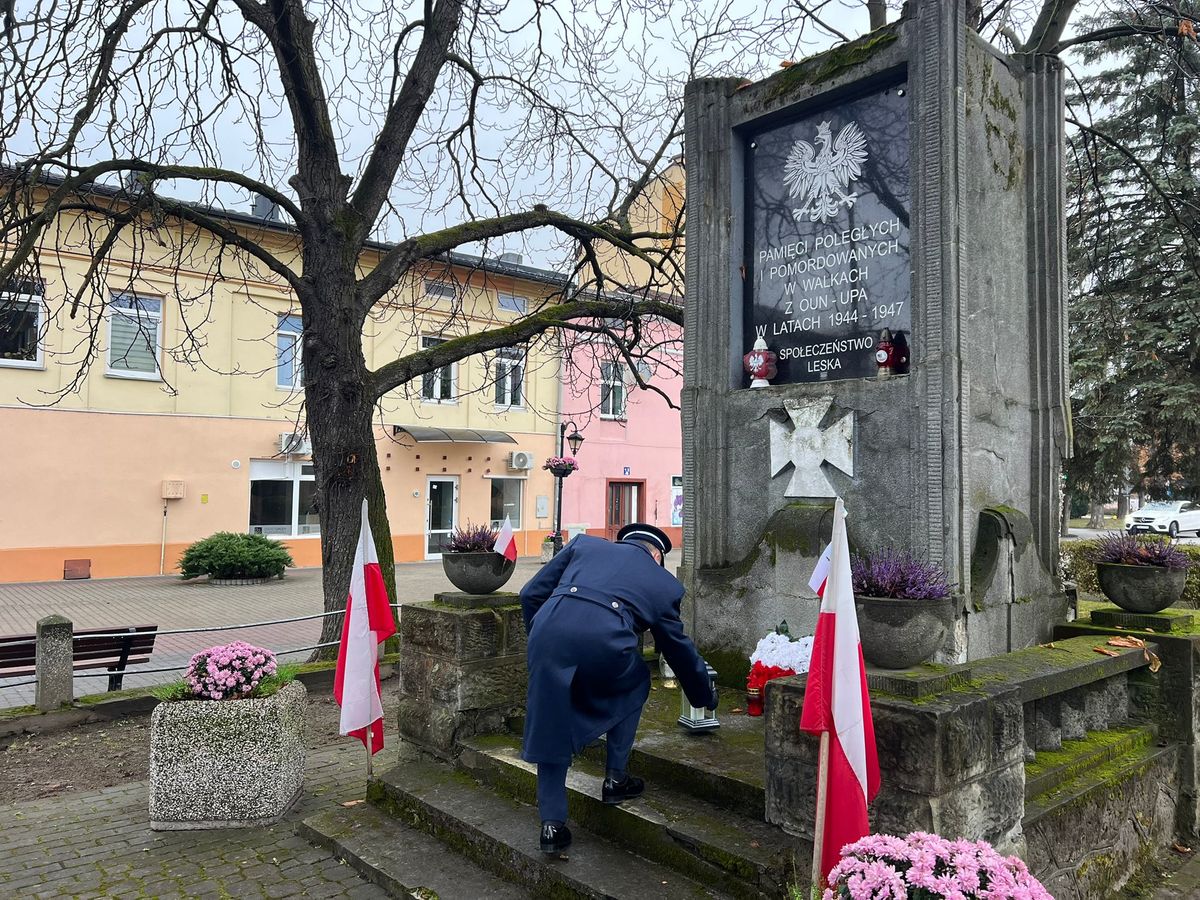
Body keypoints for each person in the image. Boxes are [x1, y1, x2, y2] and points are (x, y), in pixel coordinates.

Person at [519, 523, 718, 856]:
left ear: (623, 543)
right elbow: (677, 649)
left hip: (547, 635)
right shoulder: (662, 582)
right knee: (635, 680)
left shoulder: (584, 545)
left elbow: (529, 594)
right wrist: (704, 696)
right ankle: (615, 779)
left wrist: (542, 643)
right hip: (604, 641)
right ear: (657, 556)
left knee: (549, 721)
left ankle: (551, 826)